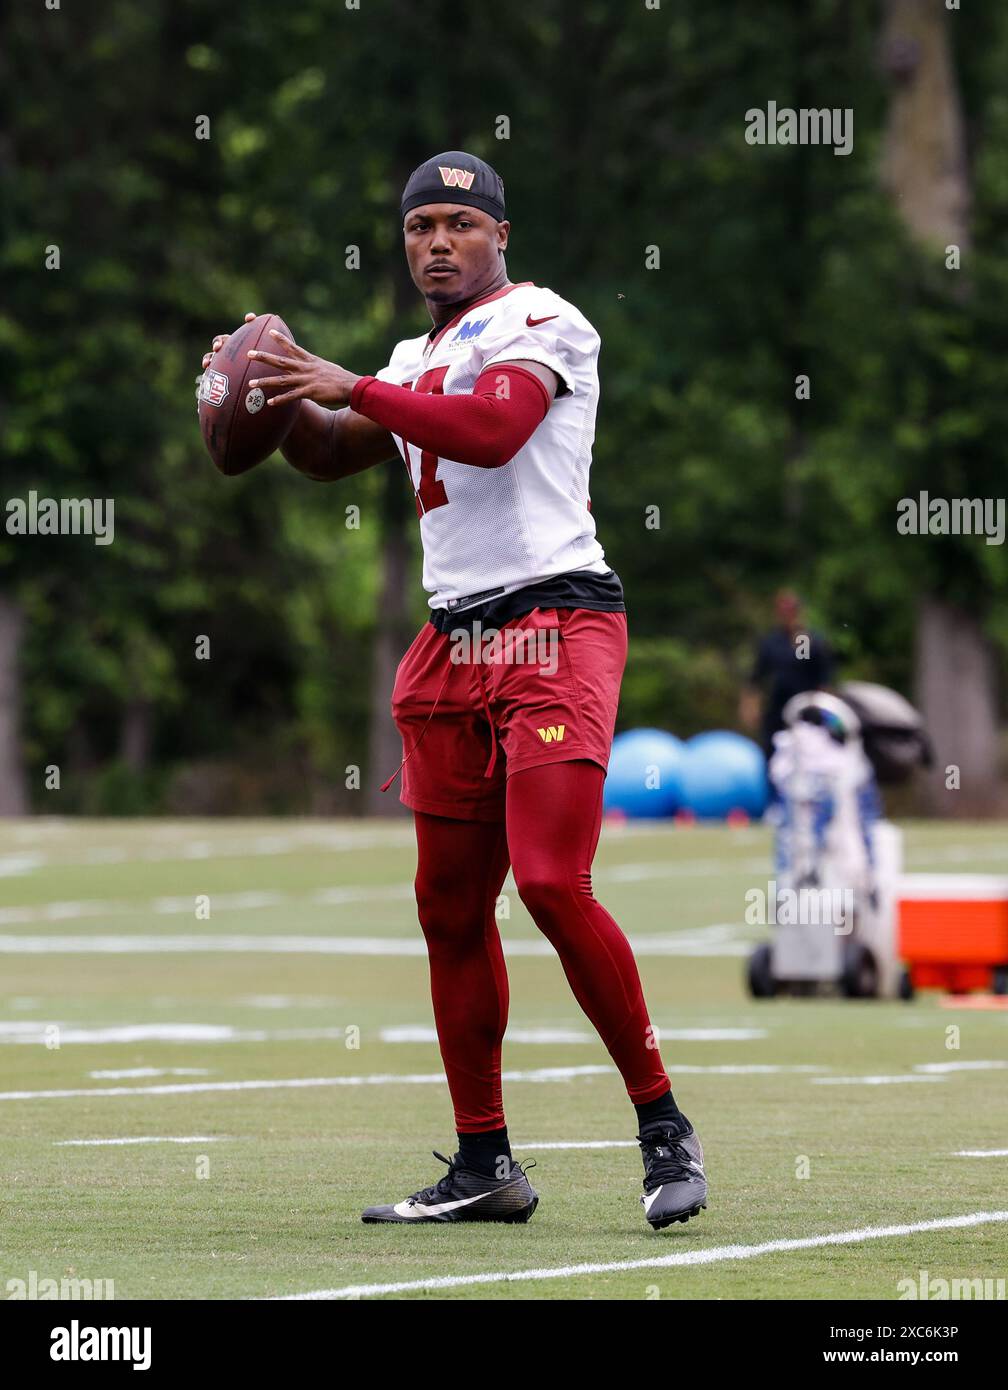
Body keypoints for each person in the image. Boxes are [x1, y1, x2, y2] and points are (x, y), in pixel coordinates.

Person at [201, 150, 706, 1231]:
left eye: (457, 225)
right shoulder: (407, 352)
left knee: (553, 882)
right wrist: (273, 389)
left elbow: (493, 429)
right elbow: (336, 452)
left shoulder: (544, 321)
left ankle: (662, 1123)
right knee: (445, 909)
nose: (437, 242)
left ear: (499, 236)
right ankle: (486, 1161)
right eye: (419, 226)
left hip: (553, 622)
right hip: (452, 640)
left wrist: (350, 382)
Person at [741, 589, 835, 758]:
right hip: (777, 710)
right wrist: (751, 705)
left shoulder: (803, 639)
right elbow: (757, 676)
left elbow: (805, 667)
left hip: (804, 710)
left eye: (791, 610)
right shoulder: (772, 641)